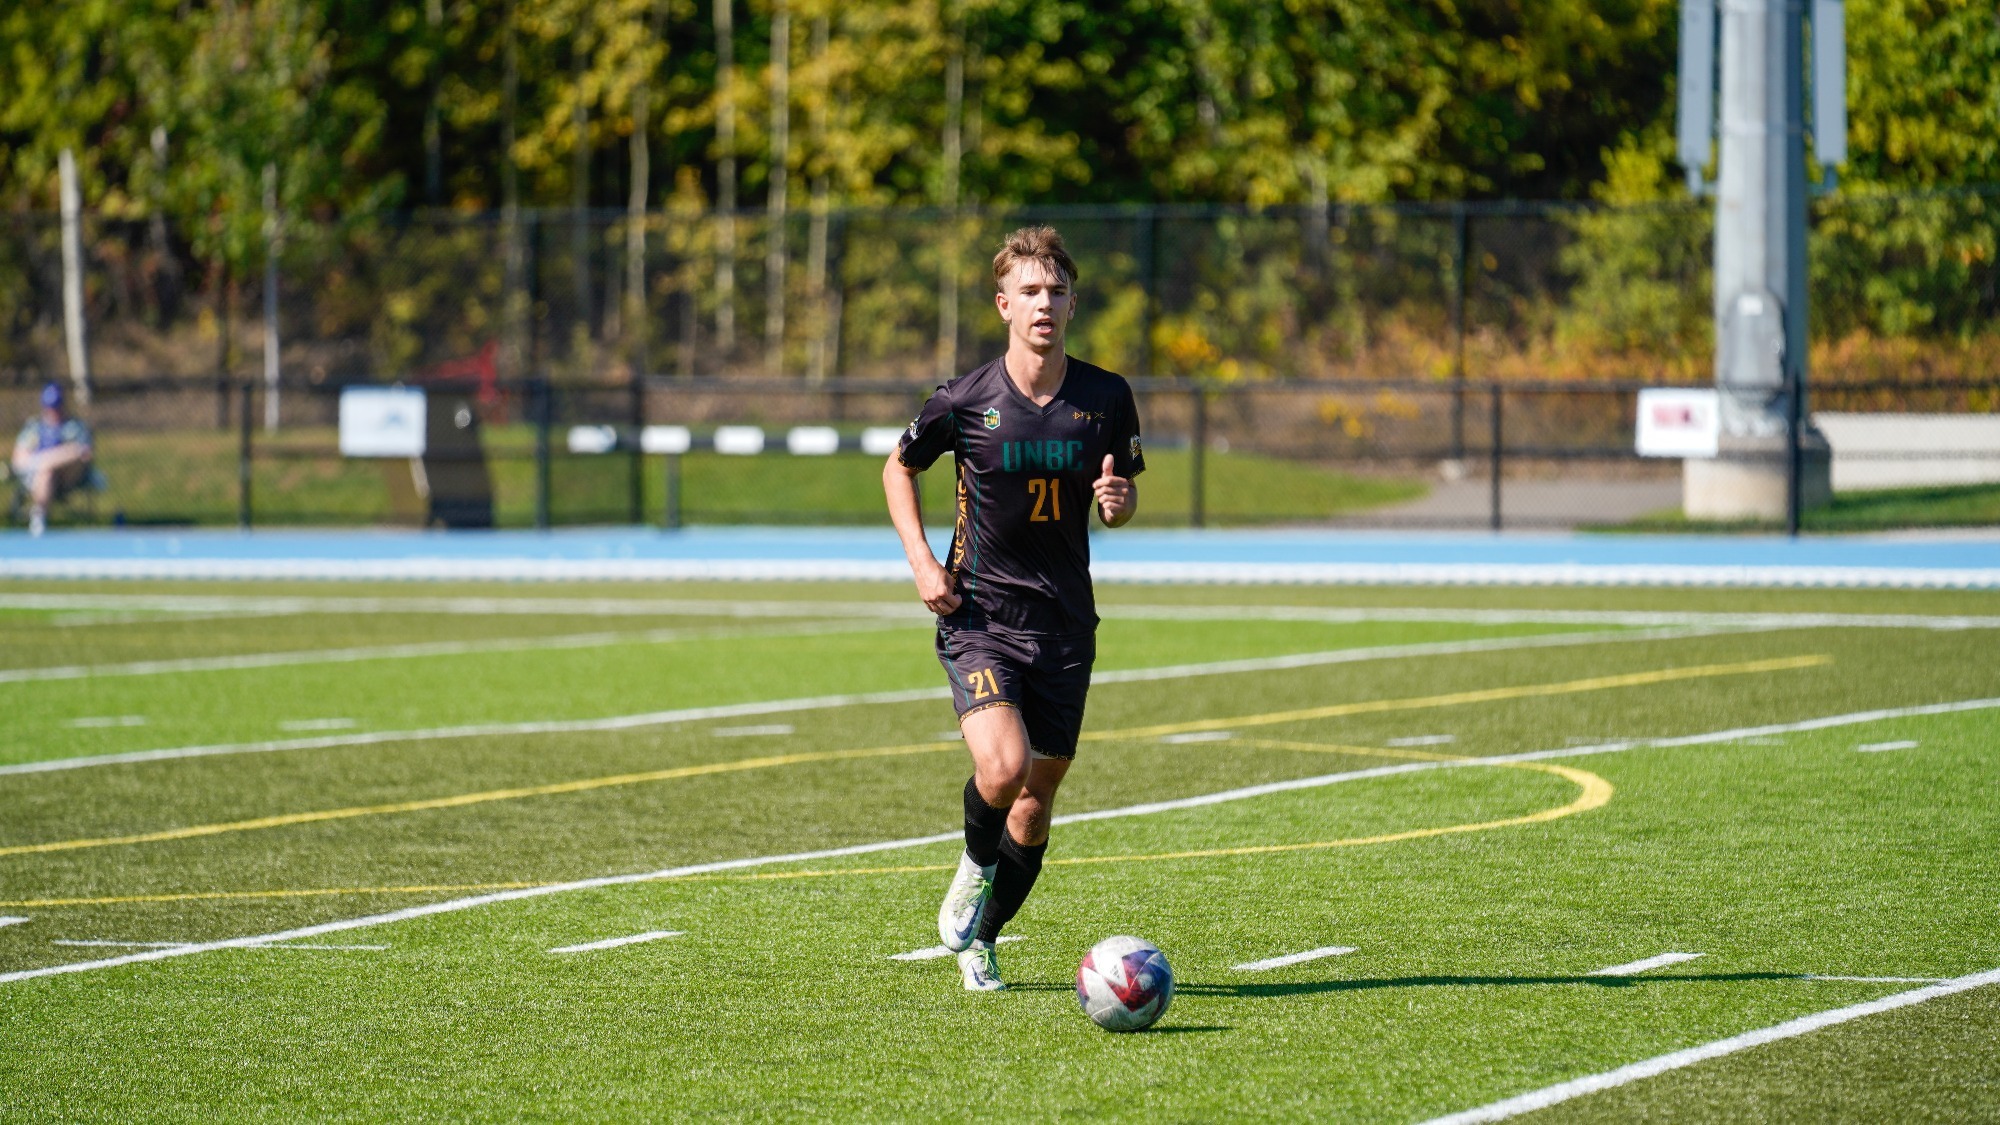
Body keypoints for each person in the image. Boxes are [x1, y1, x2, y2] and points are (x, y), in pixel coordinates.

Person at [882, 226, 1144, 991]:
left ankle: (984, 939)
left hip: (1065, 624)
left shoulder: (1106, 397)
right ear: (1003, 305)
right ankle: (972, 867)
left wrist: (1119, 503)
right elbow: (898, 468)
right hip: (980, 617)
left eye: (1057, 291)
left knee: (1033, 806)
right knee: (1003, 767)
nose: (1044, 304)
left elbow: (1121, 499)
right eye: (1029, 291)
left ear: (1073, 304)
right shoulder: (964, 400)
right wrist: (923, 562)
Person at [11, 383, 95, 537]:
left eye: (57, 407)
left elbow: (83, 453)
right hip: (38, 479)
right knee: (46, 473)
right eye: (50, 407)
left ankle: (39, 513)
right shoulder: (34, 427)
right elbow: (18, 460)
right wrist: (47, 463)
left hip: (69, 477)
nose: (54, 412)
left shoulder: (75, 427)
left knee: (62, 459)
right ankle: (39, 519)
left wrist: (47, 460)